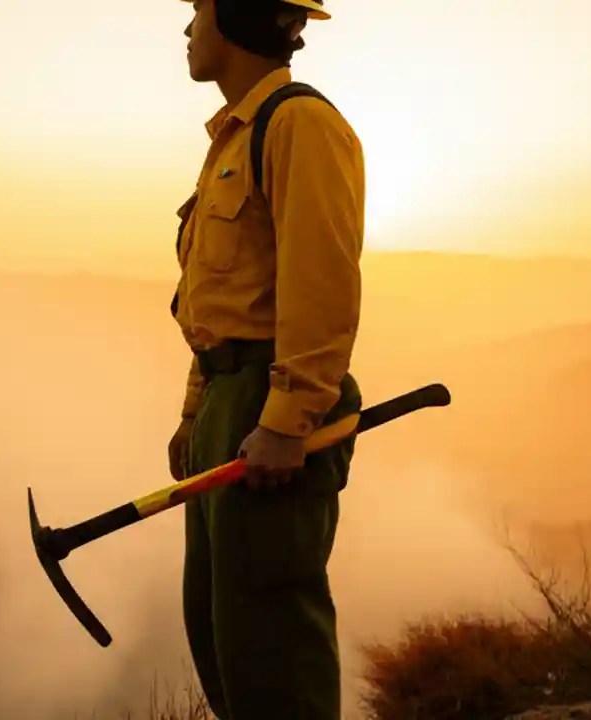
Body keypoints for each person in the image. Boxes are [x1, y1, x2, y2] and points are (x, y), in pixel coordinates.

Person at [166, 0, 366, 717]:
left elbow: (322, 284)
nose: (189, 30)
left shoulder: (298, 125)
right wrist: (196, 416)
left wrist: (287, 420)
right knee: (220, 632)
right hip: (230, 401)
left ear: (237, 16)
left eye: (199, 10)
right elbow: (216, 302)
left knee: (271, 637)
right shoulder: (235, 136)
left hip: (271, 398)